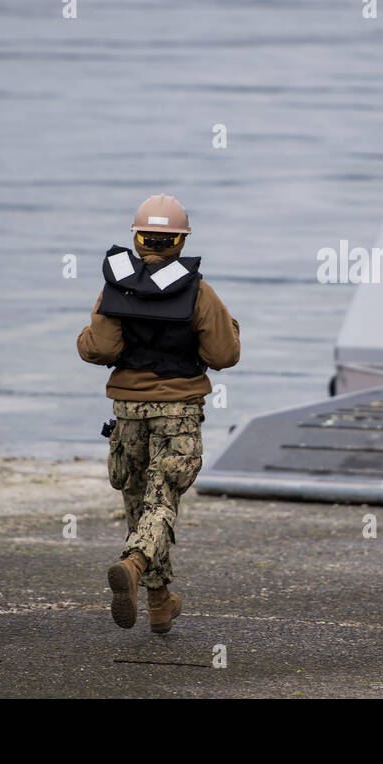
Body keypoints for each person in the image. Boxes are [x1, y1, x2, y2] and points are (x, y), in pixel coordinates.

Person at [78, 194, 240, 632]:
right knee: (161, 500)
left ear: (138, 238)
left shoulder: (116, 287)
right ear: (179, 243)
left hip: (128, 411)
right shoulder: (198, 291)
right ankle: (133, 566)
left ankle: (159, 603)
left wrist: (85, 338)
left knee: (140, 505)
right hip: (178, 411)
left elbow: (100, 349)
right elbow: (224, 355)